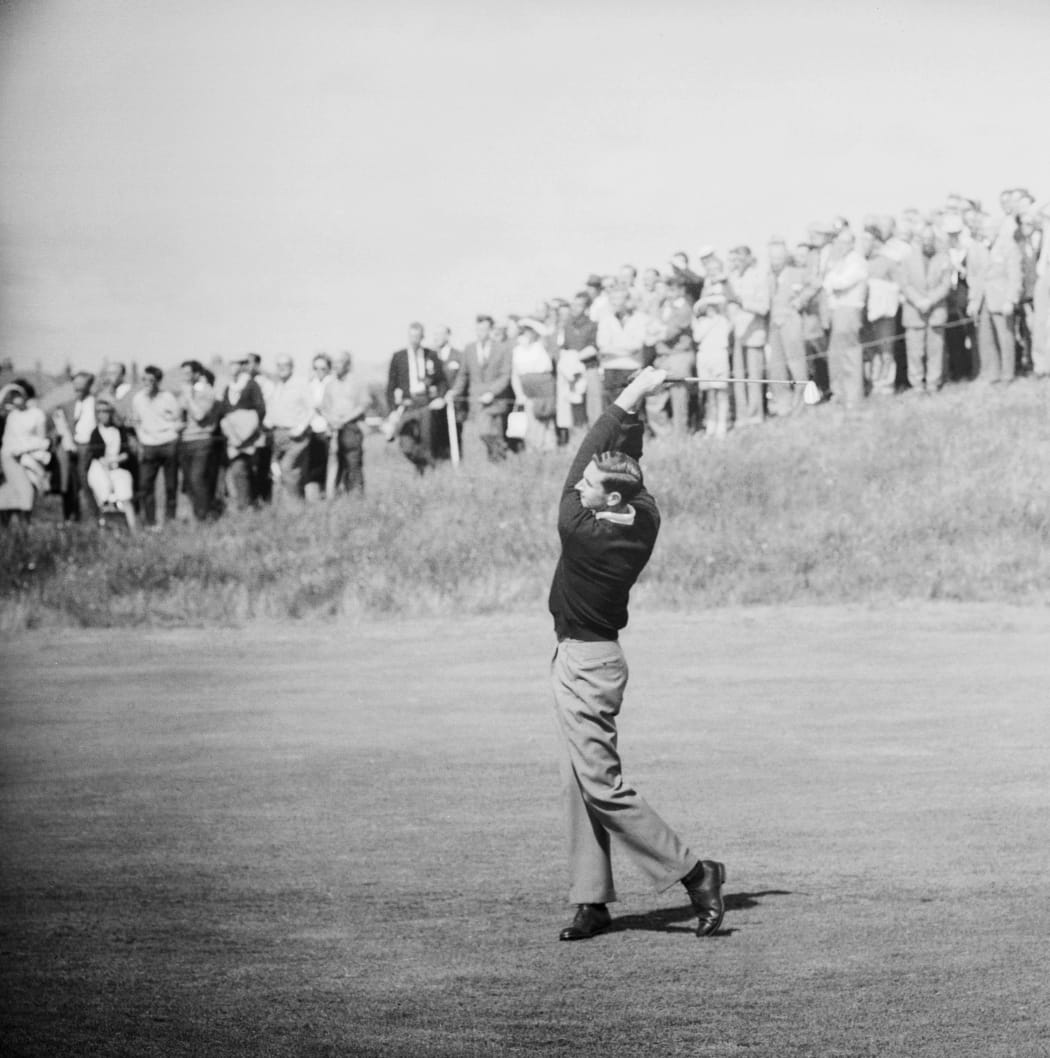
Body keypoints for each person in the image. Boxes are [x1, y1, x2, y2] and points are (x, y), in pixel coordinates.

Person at [548, 365, 725, 942]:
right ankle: (591, 898)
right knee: (579, 777)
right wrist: (638, 395)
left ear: (606, 500)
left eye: (591, 487)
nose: (580, 486)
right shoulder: (642, 515)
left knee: (600, 784)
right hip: (596, 660)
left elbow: (587, 456)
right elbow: (616, 459)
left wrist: (631, 392)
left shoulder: (579, 528)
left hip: (586, 665)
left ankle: (696, 874)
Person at [447, 314, 515, 462]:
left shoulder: (502, 349)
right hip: (477, 401)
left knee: (495, 433)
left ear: (490, 330)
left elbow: (505, 375)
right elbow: (463, 375)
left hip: (496, 401)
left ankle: (499, 464)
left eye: (484, 329)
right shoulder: (469, 349)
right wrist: (454, 391)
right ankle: (499, 455)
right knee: (484, 433)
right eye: (478, 329)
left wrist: (492, 392)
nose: (480, 333)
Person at [386, 322, 449, 473]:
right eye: (412, 336)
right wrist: (392, 410)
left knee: (426, 440)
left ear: (422, 337)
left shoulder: (431, 355)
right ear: (408, 337)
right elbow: (390, 386)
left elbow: (442, 380)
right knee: (406, 444)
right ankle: (424, 464)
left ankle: (426, 473)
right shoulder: (398, 357)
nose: (415, 339)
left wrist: (439, 398)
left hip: (425, 403)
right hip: (407, 404)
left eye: (418, 336)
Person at [968, 215, 1023, 384]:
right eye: (983, 229)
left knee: (1005, 337)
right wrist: (973, 300)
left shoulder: (1009, 246)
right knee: (985, 338)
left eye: (988, 228)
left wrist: (1011, 300)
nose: (985, 232)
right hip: (982, 299)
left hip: (1001, 299)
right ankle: (991, 373)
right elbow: (973, 276)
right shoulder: (976, 247)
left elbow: (1015, 276)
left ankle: (1008, 375)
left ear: (996, 229)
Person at [900, 226, 952, 394]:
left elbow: (946, 284)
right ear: (918, 240)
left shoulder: (943, 258)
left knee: (935, 349)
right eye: (924, 239)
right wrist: (918, 300)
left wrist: (930, 300)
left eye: (930, 239)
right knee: (914, 351)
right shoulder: (907, 259)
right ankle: (916, 383)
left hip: (936, 310)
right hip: (914, 312)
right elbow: (905, 284)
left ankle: (933, 382)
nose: (927, 243)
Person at [822, 229, 869, 408]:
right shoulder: (839, 261)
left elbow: (840, 283)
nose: (840, 246)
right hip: (838, 310)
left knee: (849, 353)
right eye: (838, 242)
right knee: (836, 354)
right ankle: (840, 394)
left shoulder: (856, 261)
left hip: (849, 309)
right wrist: (831, 281)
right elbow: (827, 282)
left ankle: (853, 396)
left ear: (851, 243)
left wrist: (832, 281)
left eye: (845, 242)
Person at [131, 365, 181, 528]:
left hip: (168, 443)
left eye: (151, 380)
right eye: (144, 380)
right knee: (145, 486)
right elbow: (136, 421)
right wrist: (142, 438)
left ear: (158, 381)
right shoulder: (138, 398)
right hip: (148, 446)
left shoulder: (168, 397)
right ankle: (151, 522)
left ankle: (170, 519)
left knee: (171, 485)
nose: (147, 383)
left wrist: (171, 435)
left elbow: (178, 418)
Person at [726, 245, 770, 426]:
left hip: (754, 335)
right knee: (739, 378)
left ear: (747, 258)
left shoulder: (759, 277)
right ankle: (742, 416)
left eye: (739, 259)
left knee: (753, 378)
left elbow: (763, 307)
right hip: (737, 335)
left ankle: (755, 415)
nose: (736, 263)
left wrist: (742, 302)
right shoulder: (733, 278)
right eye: (733, 260)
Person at [766, 239, 810, 415]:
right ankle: (783, 405)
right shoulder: (768, 277)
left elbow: (815, 284)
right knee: (776, 367)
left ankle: (801, 404)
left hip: (791, 323)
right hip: (774, 326)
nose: (774, 261)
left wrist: (801, 300)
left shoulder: (797, 273)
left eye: (778, 257)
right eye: (771, 257)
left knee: (796, 363)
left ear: (785, 257)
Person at [219, 355, 267, 510]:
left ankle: (252, 502)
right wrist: (233, 433)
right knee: (238, 469)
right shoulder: (228, 388)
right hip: (234, 438)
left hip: (250, 437)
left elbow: (260, 409)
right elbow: (224, 412)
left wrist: (247, 431)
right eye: (231, 364)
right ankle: (244, 503)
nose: (233, 368)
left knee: (251, 469)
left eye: (236, 364)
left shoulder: (252, 385)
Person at [0, 382, 51, 528]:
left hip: (30, 459)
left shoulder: (36, 414)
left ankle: (25, 526)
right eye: (13, 397)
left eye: (18, 396)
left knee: (28, 491)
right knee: (10, 491)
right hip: (11, 458)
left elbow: (42, 440)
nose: (16, 400)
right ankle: (7, 527)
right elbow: (8, 440)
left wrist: (26, 449)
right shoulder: (12, 416)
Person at [265, 355, 314, 501]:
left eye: (285, 364)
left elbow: (311, 408)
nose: (282, 367)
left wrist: (301, 427)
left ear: (292, 366)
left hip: (296, 436)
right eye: (278, 364)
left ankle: (296, 507)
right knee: (278, 471)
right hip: (278, 434)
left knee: (288, 468)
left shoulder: (300, 384)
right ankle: (286, 506)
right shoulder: (277, 385)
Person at [176, 359, 220, 522]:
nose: (185, 377)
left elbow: (199, 415)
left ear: (197, 374)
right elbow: (178, 414)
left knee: (197, 478)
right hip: (185, 441)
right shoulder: (186, 392)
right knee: (188, 482)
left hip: (201, 441)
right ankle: (196, 515)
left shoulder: (207, 392)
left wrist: (188, 396)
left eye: (188, 373)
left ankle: (204, 516)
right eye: (183, 374)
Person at [860, 226, 902, 397]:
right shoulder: (861, 262)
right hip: (866, 315)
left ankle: (886, 384)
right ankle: (874, 383)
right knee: (871, 351)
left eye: (867, 240)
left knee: (886, 350)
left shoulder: (887, 262)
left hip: (883, 315)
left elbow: (899, 284)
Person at [85, 397, 137, 531]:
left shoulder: (120, 431)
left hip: (119, 467)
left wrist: (115, 461)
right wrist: (108, 466)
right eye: (100, 411)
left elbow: (126, 453)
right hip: (101, 469)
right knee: (105, 497)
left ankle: (133, 530)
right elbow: (98, 456)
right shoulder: (95, 433)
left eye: (106, 411)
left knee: (125, 497)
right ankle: (106, 529)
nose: (103, 414)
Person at [321, 350, 368, 496]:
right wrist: (332, 420)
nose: (336, 366)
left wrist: (345, 419)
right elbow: (324, 407)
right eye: (334, 363)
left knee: (353, 464)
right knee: (335, 465)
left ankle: (356, 497)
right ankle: (333, 497)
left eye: (339, 362)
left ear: (347, 365)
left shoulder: (357, 383)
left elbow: (363, 405)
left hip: (351, 428)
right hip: (333, 430)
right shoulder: (330, 385)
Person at [595, 289, 648, 410]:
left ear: (627, 301)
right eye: (612, 299)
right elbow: (602, 346)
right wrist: (627, 351)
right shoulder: (605, 319)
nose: (615, 303)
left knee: (632, 409)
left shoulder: (640, 318)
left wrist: (614, 348)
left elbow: (637, 346)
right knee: (613, 410)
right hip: (611, 369)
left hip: (632, 368)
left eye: (619, 299)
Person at [511, 318, 557, 451]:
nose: (527, 335)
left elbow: (546, 333)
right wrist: (518, 393)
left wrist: (529, 322)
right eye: (524, 332)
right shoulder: (517, 350)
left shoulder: (541, 345)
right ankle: (534, 448)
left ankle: (548, 448)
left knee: (545, 419)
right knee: (531, 420)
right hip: (528, 389)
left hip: (544, 386)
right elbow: (515, 374)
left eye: (529, 331)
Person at [693, 293, 731, 437]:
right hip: (704, 357)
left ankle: (722, 426)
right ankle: (711, 425)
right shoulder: (701, 322)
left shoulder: (723, 320)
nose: (710, 309)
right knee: (709, 394)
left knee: (721, 392)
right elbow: (697, 337)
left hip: (719, 355)